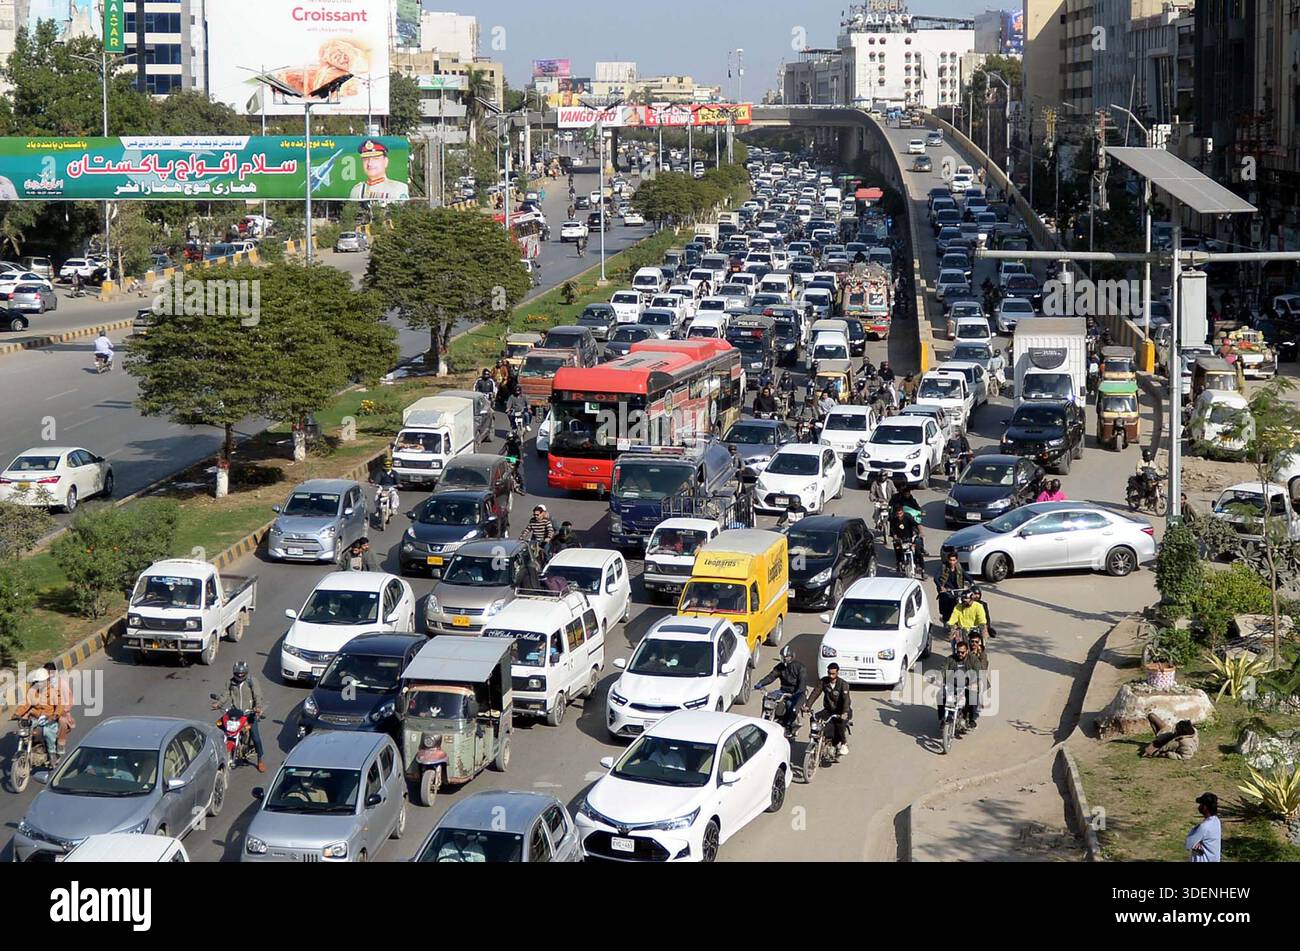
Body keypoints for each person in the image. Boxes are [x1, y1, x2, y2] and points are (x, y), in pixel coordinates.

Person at [213, 660, 266, 772]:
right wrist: (219, 704)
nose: (239, 676)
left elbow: (258, 695)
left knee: (255, 737)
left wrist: (258, 707)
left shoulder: (252, 681)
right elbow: (225, 695)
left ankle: (260, 759)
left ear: (246, 673)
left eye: (242, 674)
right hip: (235, 713)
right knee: (221, 727)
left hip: (249, 713)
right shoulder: (230, 683)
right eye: (237, 674)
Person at [755, 645, 808, 736]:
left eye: (787, 657)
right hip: (783, 691)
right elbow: (771, 676)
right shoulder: (780, 667)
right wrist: (761, 683)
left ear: (792, 657)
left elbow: (802, 684)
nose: (785, 659)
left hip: (798, 693)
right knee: (768, 698)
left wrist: (796, 694)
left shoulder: (800, 668)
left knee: (791, 707)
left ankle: (788, 727)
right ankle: (767, 717)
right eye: (783, 657)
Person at [12, 668, 64, 760]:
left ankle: (52, 753)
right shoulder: (32, 691)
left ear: (47, 681)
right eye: (37, 682)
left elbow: (60, 705)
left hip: (48, 719)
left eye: (41, 681)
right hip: (35, 718)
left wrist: (55, 715)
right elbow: (25, 704)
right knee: (23, 731)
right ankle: (29, 748)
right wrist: (17, 714)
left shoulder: (53, 691)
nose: (39, 684)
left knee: (48, 732)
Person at [804, 663, 853, 756]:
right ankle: (816, 739)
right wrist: (808, 706)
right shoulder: (824, 681)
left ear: (837, 673)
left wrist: (845, 713)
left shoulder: (843, 684)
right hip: (829, 710)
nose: (831, 676)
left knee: (840, 724)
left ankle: (843, 743)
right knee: (814, 719)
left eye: (833, 674)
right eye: (829, 673)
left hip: (841, 711)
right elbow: (815, 693)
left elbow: (846, 700)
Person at [938, 639, 982, 730]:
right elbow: (943, 669)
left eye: (962, 652)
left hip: (967, 685)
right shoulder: (950, 659)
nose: (960, 654)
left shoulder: (973, 659)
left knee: (973, 696)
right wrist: (939, 678)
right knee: (941, 695)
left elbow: (978, 671)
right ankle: (942, 718)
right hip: (952, 685)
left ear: (967, 651)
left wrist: (973, 682)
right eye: (958, 652)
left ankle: (971, 720)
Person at [1185, 793, 1222, 862]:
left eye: (1201, 804)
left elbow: (1188, 843)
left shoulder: (1204, 827)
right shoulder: (1216, 821)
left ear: (1205, 807)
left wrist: (1197, 841)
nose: (1199, 806)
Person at [889, 505, 924, 575]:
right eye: (898, 514)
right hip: (900, 539)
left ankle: (922, 569)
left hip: (910, 538)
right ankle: (899, 563)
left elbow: (917, 525)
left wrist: (920, 532)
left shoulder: (908, 517)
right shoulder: (893, 519)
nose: (899, 515)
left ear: (903, 512)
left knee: (918, 551)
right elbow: (893, 530)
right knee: (897, 547)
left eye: (901, 513)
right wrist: (895, 538)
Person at [936, 550, 966, 622]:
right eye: (950, 560)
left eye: (953, 560)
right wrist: (941, 587)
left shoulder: (958, 567)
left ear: (956, 560)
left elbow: (965, 574)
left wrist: (972, 582)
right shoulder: (943, 567)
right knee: (947, 605)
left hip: (957, 589)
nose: (952, 562)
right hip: (947, 590)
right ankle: (946, 620)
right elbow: (936, 578)